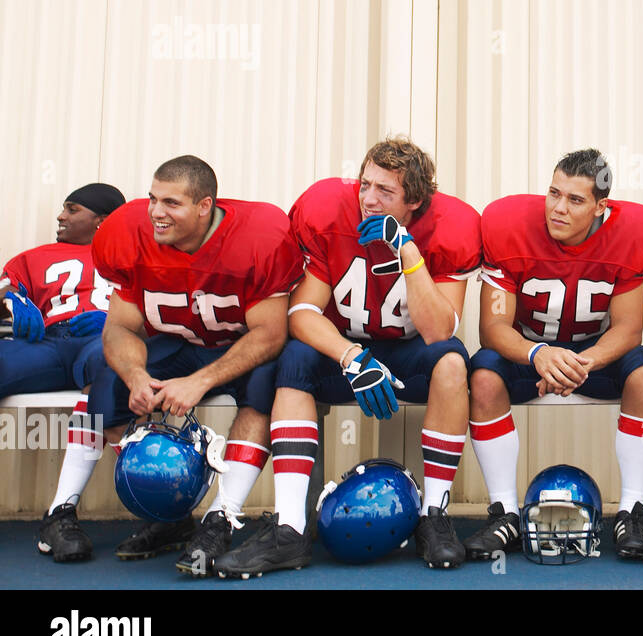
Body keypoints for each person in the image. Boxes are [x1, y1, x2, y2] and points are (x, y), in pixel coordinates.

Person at [214, 136, 481, 577]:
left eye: (385, 191)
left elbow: (438, 331)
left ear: (414, 200)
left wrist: (408, 251)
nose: (368, 200)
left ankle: (434, 516)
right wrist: (351, 356)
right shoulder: (329, 213)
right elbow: (301, 313)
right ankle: (290, 529)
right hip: (346, 348)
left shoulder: (449, 228)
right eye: (365, 184)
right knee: (295, 357)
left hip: (409, 352)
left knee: (452, 361)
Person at [37, 157, 301, 573]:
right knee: (107, 386)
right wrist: (136, 375)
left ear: (204, 206)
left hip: (240, 347)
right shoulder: (129, 234)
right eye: (153, 199)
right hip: (177, 342)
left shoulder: (258, 235)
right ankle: (150, 514)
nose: (157, 213)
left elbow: (269, 335)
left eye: (172, 203)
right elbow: (120, 328)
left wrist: (200, 382)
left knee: (265, 385)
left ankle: (221, 519)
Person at [465, 148, 643, 561]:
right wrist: (538, 354)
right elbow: (493, 327)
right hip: (528, 353)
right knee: (483, 374)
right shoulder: (509, 227)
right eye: (553, 193)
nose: (558, 208)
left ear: (600, 207)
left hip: (592, 355)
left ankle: (632, 510)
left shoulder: (631, 234)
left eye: (575, 200)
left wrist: (581, 363)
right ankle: (503, 511)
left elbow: (629, 328)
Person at [2, 183, 126, 398]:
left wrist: (119, 324)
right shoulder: (32, 257)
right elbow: (5, 290)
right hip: (46, 342)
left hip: (105, 338)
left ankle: (89, 431)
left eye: (72, 209)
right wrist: (12, 302)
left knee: (117, 366)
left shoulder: (132, 257)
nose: (60, 216)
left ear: (103, 221)